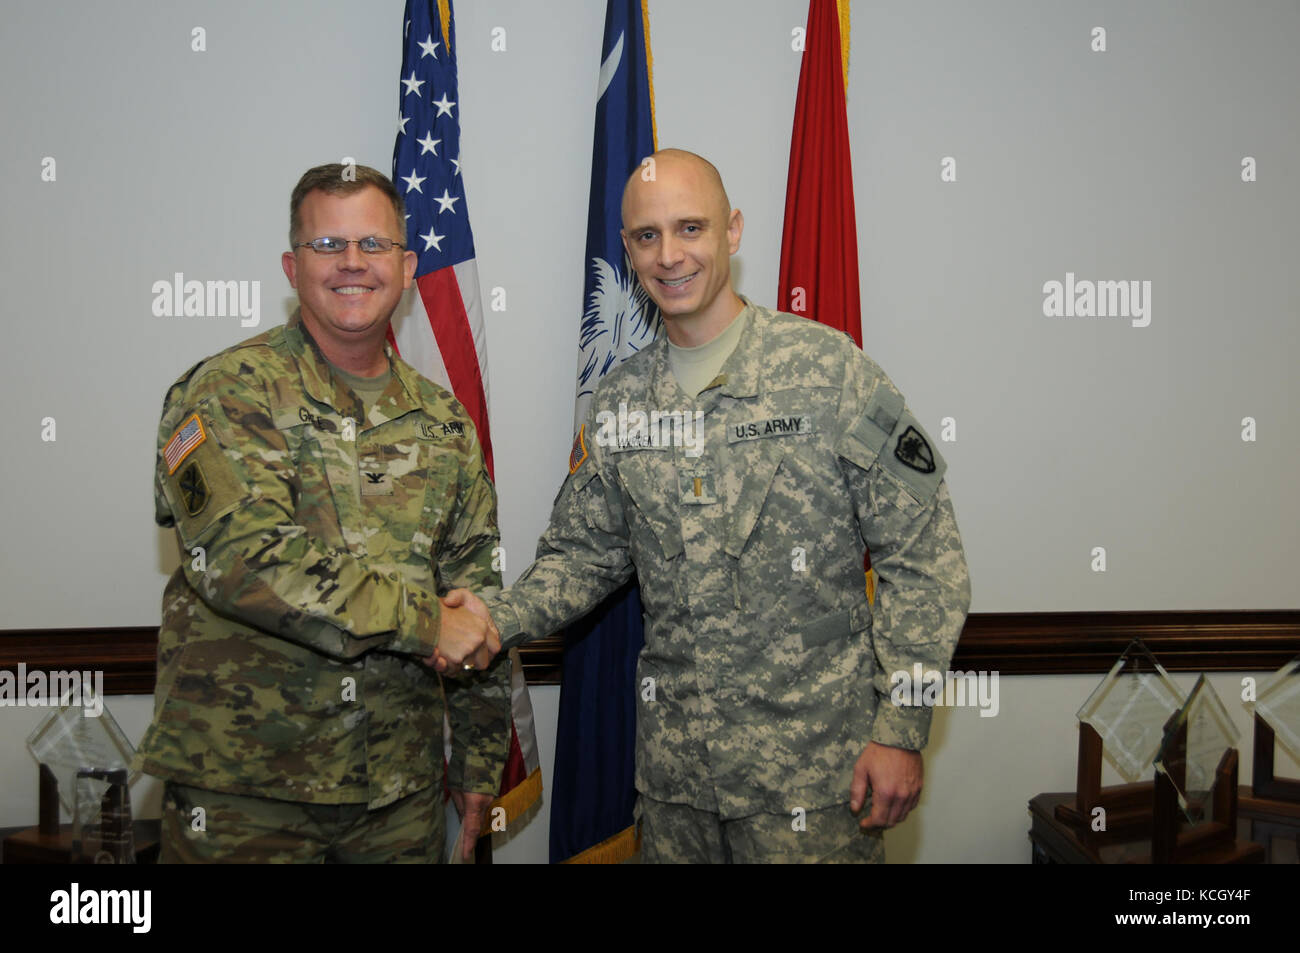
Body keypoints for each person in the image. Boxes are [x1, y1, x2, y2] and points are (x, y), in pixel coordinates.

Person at [474, 149, 971, 862]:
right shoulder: (621, 402)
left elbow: (926, 558)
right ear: (627, 250)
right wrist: (490, 617)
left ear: (732, 231)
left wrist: (899, 727)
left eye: (690, 228)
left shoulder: (827, 371)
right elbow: (582, 557)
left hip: (817, 786)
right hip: (679, 790)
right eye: (647, 236)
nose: (669, 255)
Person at [136, 163, 508, 863]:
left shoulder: (443, 421)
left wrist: (479, 761)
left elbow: (475, 594)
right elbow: (243, 561)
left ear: (407, 265)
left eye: (373, 246)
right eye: (328, 245)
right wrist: (426, 619)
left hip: (399, 796)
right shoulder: (226, 392)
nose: (352, 264)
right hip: (249, 791)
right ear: (291, 265)